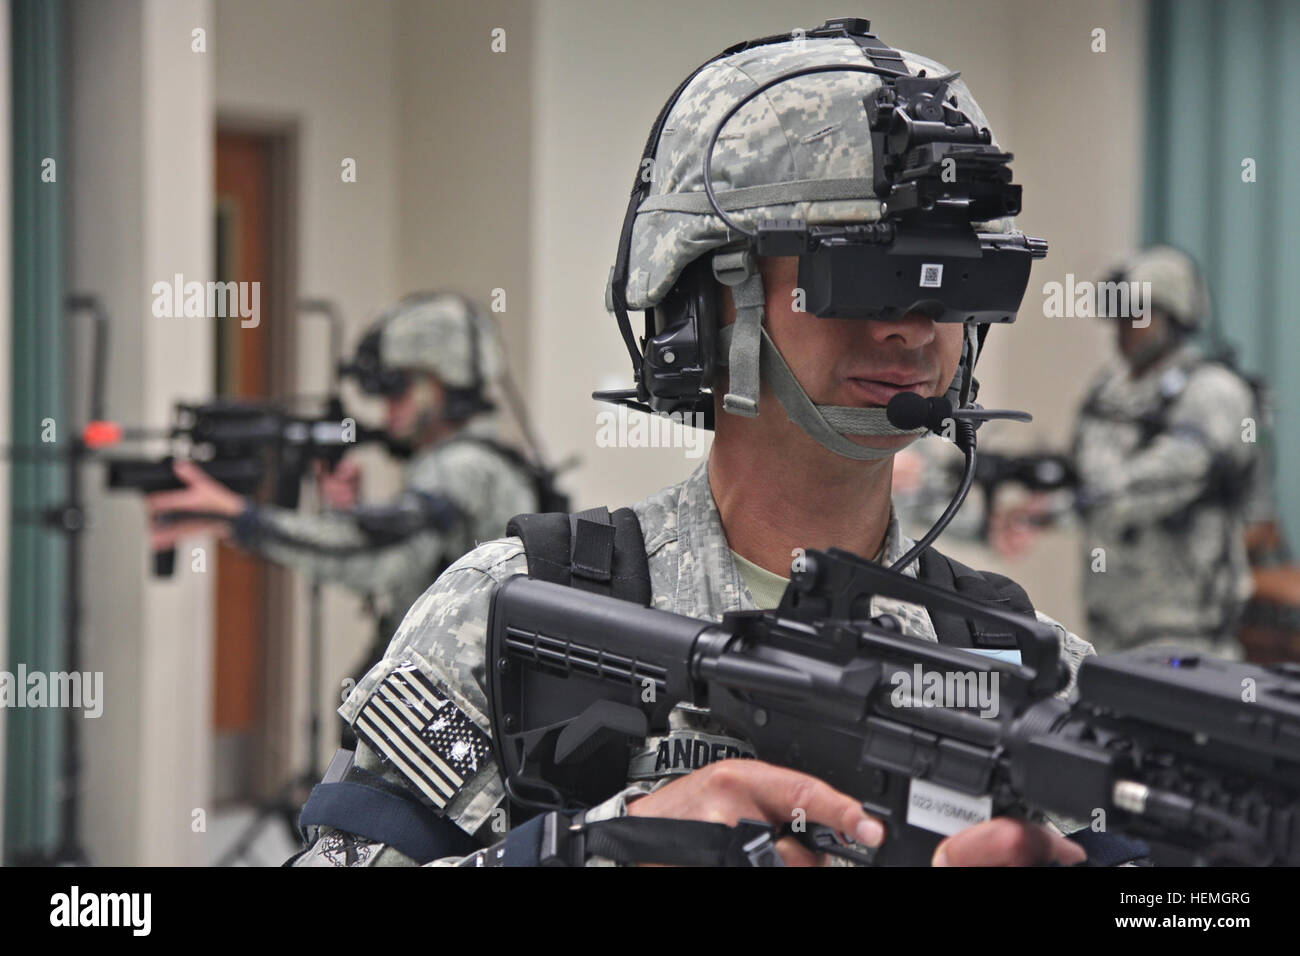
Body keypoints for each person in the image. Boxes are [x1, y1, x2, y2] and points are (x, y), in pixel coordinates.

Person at [289, 20, 1099, 869]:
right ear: (708, 306)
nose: (913, 329)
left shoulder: (1024, 666)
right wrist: (591, 853)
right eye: (865, 278)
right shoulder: (503, 613)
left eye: (956, 282)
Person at [146, 291, 542, 680]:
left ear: (441, 383)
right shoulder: (471, 463)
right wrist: (352, 514)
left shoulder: (461, 467)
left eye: (396, 387)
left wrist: (241, 518)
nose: (387, 409)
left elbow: (375, 562)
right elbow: (409, 564)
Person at [1068, 246, 1266, 657]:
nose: (1123, 329)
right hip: (1109, 629)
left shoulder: (1212, 391)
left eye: (1137, 315)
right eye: (1119, 316)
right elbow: (1080, 468)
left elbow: (1166, 476)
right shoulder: (1110, 391)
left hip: (1187, 635)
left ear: (1172, 317)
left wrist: (1064, 504)